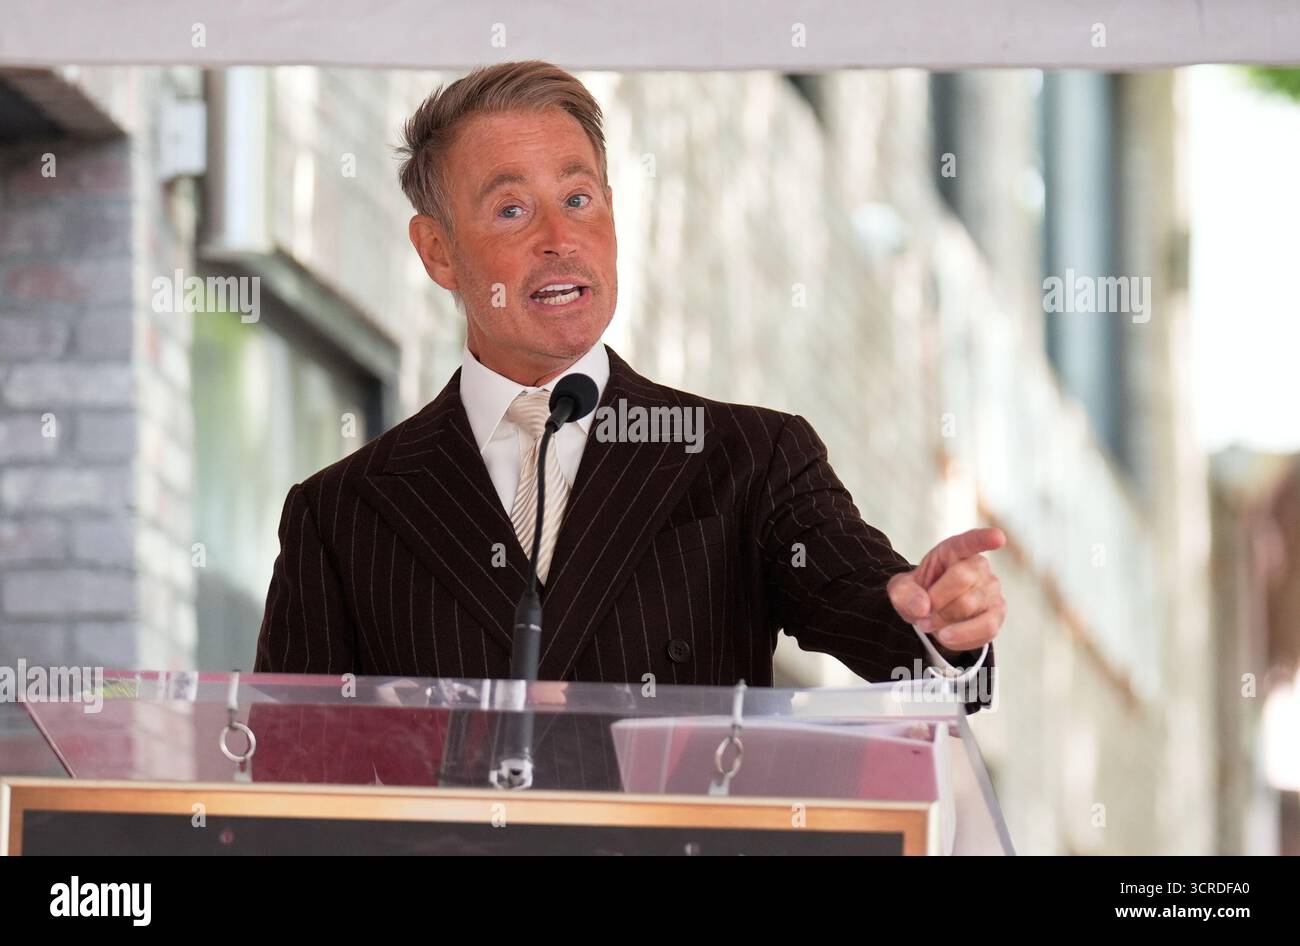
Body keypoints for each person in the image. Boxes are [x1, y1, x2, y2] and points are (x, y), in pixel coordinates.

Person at [254, 60, 1006, 713]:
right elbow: (289, 775)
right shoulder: (340, 516)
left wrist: (938, 624)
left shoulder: (748, 459)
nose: (559, 237)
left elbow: (877, 613)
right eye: (512, 209)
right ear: (439, 253)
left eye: (579, 199)